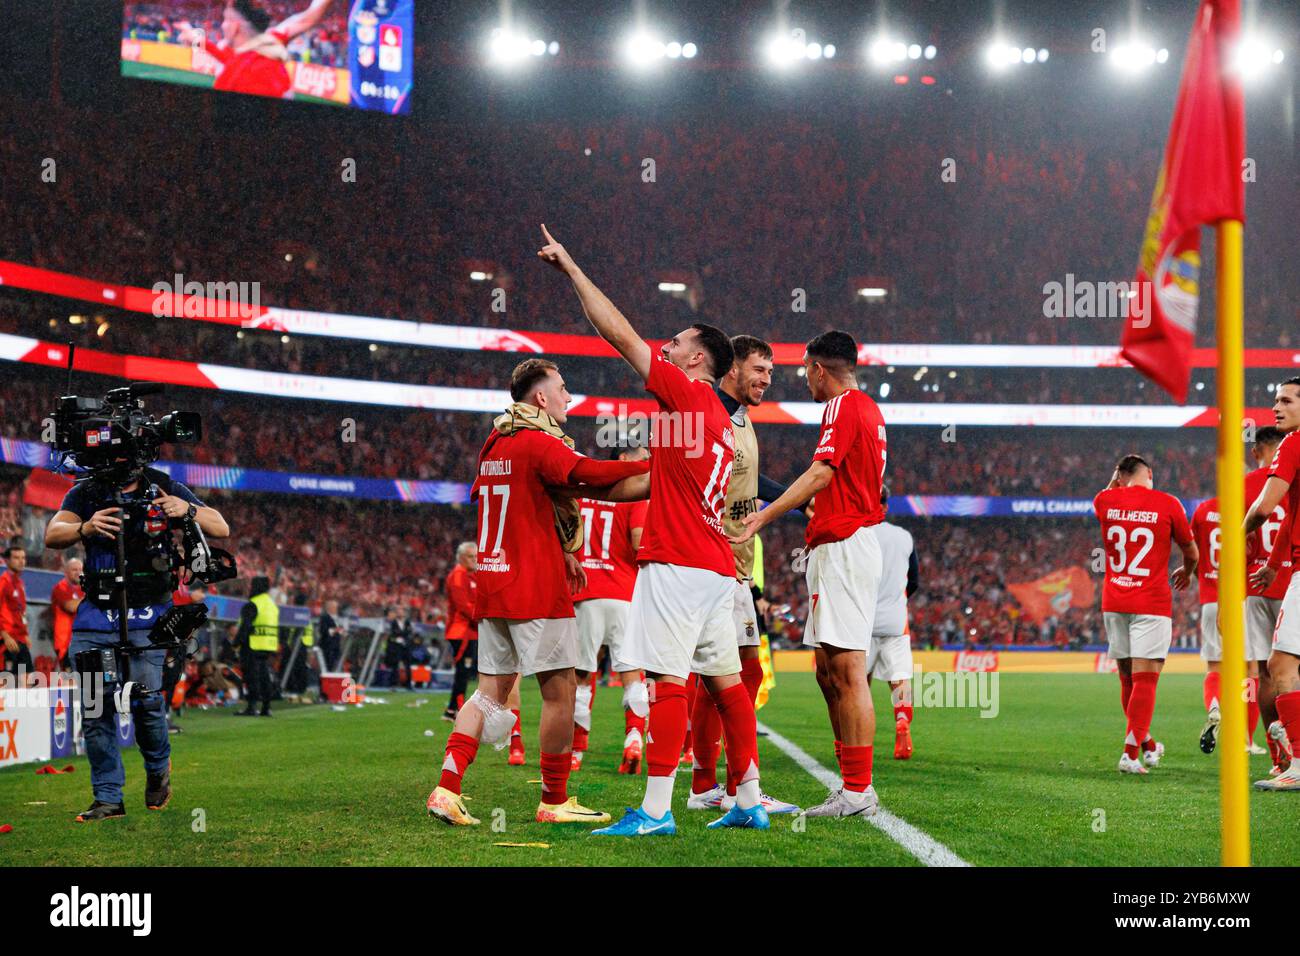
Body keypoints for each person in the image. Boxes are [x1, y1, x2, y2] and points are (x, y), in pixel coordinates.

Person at [538, 224, 771, 836]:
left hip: (679, 565)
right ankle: (748, 800)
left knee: (669, 682)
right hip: (718, 569)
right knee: (727, 686)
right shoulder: (714, 424)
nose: (663, 346)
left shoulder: (689, 393)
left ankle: (656, 811)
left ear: (697, 358)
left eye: (675, 340)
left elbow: (617, 333)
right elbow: (645, 480)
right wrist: (579, 480)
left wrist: (573, 271)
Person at [426, 357, 649, 826]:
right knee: (560, 692)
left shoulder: (495, 442)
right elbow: (589, 473)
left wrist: (562, 547)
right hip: (533, 586)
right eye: (564, 389)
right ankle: (554, 799)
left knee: (488, 693)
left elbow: (521, 502)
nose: (570, 398)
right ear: (541, 398)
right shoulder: (539, 443)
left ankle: (446, 788)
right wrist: (657, 464)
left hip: (494, 583)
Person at [734, 330, 888, 818]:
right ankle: (851, 784)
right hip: (835, 543)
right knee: (827, 670)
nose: (803, 379)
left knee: (846, 668)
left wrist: (765, 513)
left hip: (845, 544)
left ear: (819, 369)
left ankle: (858, 791)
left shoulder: (843, 406)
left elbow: (822, 472)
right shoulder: (864, 410)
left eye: (804, 370)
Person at [44, 463, 230, 821]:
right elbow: (53, 534)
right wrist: (85, 527)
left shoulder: (162, 487)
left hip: (149, 617)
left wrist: (186, 509)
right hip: (96, 619)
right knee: (97, 711)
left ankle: (158, 768)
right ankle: (108, 798)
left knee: (146, 704)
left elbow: (221, 527)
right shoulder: (86, 491)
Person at [687, 335, 798, 815]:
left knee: (718, 677)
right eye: (760, 370)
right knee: (737, 673)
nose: (767, 380)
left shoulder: (741, 417)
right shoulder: (710, 412)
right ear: (732, 368)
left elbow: (751, 485)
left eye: (772, 372)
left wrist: (801, 497)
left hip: (733, 564)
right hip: (716, 561)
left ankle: (706, 786)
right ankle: (735, 788)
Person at [1094, 454, 1197, 775]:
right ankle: (1129, 753)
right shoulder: (1168, 504)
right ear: (1150, 473)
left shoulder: (1105, 500)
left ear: (1119, 476)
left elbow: (1105, 494)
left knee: (1128, 679)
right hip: (1150, 602)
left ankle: (1148, 745)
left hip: (1114, 600)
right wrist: (1188, 571)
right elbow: (1191, 551)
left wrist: (1116, 481)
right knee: (1146, 681)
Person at [570, 444, 650, 774]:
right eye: (641, 457)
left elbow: (566, 539)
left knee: (581, 676)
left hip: (585, 592)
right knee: (632, 672)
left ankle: (575, 751)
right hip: (623, 593)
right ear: (623, 460)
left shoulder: (581, 492)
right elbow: (637, 542)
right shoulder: (633, 495)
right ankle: (633, 737)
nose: (646, 465)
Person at [1245, 378, 1300, 790]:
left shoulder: (1293, 444)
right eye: (1274, 401)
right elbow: (1292, 515)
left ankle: (1296, 764)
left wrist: (1241, 532)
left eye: (1285, 400)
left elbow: (1266, 508)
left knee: (1279, 667)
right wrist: (1275, 563)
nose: (1275, 408)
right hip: (1287, 566)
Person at [1241, 425, 1292, 768]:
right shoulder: (1293, 477)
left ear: (1256, 450)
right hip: (1291, 579)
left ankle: (1278, 759)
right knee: (1292, 669)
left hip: (1256, 585)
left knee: (1264, 672)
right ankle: (1296, 746)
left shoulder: (1243, 486)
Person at [175, 0, 335, 100]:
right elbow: (309, 16)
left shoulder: (233, 77)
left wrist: (196, 38)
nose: (222, 25)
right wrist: (195, 37)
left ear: (235, 26)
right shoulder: (270, 41)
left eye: (225, 19)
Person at [870, 488, 919, 761]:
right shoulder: (903, 537)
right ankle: (902, 720)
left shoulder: (858, 534)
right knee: (899, 680)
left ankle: (856, 742)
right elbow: (914, 582)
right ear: (887, 506)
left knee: (857, 685)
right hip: (896, 621)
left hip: (862, 621)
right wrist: (897, 603)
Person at [443, 542, 479, 722]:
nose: (475, 560)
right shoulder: (458, 575)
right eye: (472, 557)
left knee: (465, 672)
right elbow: (463, 606)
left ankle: (452, 709)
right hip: (462, 632)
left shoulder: (470, 576)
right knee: (462, 672)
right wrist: (483, 617)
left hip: (469, 631)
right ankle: (455, 709)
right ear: (461, 557)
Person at [234, 576, 278, 717]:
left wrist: (236, 643)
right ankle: (266, 707)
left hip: (252, 644)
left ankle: (252, 707)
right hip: (267, 645)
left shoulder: (253, 604)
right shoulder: (271, 604)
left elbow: (245, 626)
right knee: (265, 677)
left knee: (252, 677)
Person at [0, 545, 33, 686]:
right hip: (7, 639)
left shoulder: (20, 583)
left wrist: (25, 634)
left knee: (27, 680)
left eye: (23, 558)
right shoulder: (3, 582)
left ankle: (26, 708)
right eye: (16, 558)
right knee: (5, 681)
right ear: (6, 561)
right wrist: (5, 636)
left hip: (20, 638)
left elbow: (20, 611)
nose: (21, 561)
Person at [50, 557, 84, 671]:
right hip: (65, 642)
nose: (79, 572)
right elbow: (71, 607)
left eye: (81, 569)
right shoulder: (60, 587)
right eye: (74, 569)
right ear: (66, 571)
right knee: (69, 678)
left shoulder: (83, 589)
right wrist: (90, 597)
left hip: (82, 640)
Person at [319, 599, 341, 671]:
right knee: (327, 668)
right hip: (327, 648)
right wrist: (335, 630)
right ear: (330, 608)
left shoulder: (337, 618)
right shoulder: (325, 617)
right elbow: (323, 631)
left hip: (335, 647)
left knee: (333, 667)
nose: (337, 609)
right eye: (335, 607)